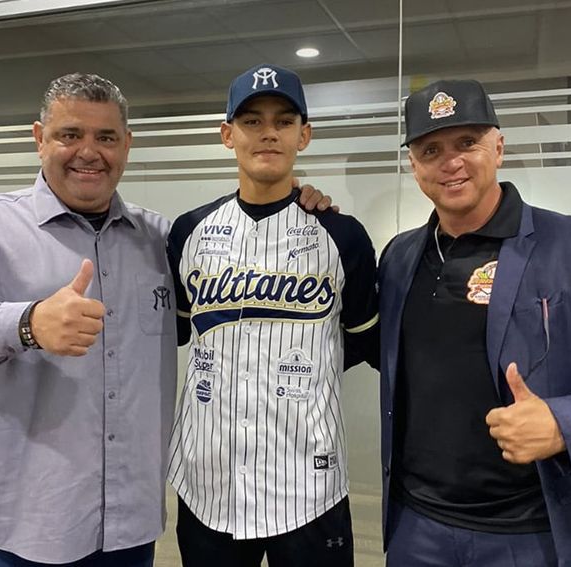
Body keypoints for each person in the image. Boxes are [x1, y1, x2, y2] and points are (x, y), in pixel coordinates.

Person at [0, 72, 331, 567]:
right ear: (39, 138)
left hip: (128, 529)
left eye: (106, 137)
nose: (89, 151)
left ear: (126, 145)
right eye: (70, 134)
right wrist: (28, 324)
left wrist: (295, 203)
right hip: (25, 526)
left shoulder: (163, 240)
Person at [375, 79, 571, 566]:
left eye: (467, 142)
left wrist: (565, 423)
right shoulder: (399, 257)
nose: (451, 161)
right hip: (416, 529)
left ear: (498, 147)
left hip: (531, 535)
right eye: (430, 149)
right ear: (413, 167)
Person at [165, 63, 379, 567]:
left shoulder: (343, 236)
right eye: (251, 121)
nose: (267, 133)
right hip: (206, 478)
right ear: (227, 135)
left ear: (303, 135)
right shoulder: (188, 231)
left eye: (283, 121)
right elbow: (174, 332)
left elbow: (360, 346)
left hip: (310, 484)